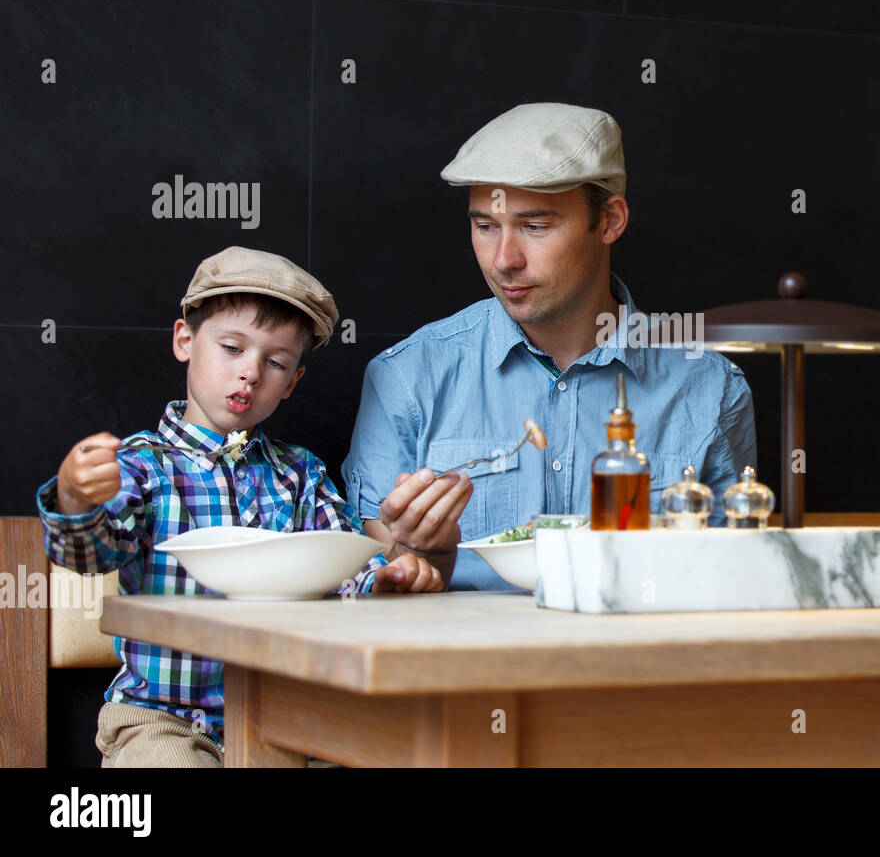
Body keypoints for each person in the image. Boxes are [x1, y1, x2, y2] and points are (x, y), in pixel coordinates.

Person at [36, 247, 438, 768]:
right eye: (231, 347)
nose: (250, 372)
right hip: (163, 718)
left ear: (292, 382)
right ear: (185, 340)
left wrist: (382, 581)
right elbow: (91, 555)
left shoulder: (300, 474)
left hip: (286, 715)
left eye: (275, 362)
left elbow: (347, 560)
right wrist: (74, 498)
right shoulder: (143, 467)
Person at [342, 102, 757, 591]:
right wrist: (419, 553)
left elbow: (734, 574)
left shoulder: (710, 388)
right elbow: (372, 581)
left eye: (535, 227)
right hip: (465, 663)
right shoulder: (408, 376)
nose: (504, 260)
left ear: (610, 221)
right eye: (485, 226)